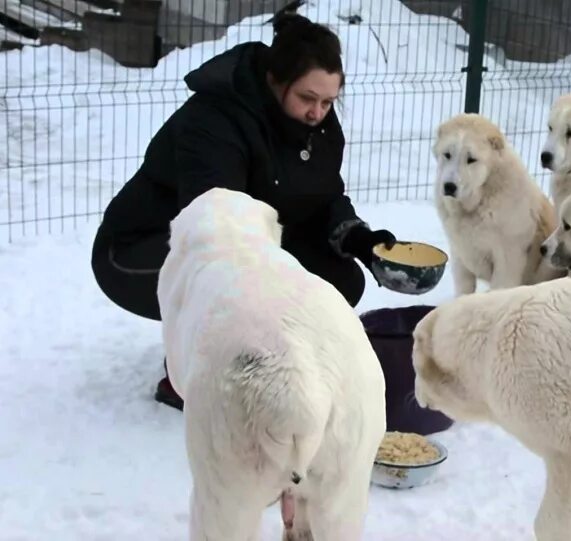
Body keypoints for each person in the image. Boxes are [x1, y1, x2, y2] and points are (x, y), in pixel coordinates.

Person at [90, 12, 397, 411]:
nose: (318, 113)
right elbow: (216, 228)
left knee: (338, 281)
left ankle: (277, 362)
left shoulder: (314, 120)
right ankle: (188, 377)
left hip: (247, 239)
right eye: (308, 98)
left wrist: (357, 237)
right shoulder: (216, 119)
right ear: (275, 79)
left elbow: (323, 191)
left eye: (328, 101)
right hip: (142, 251)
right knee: (245, 284)